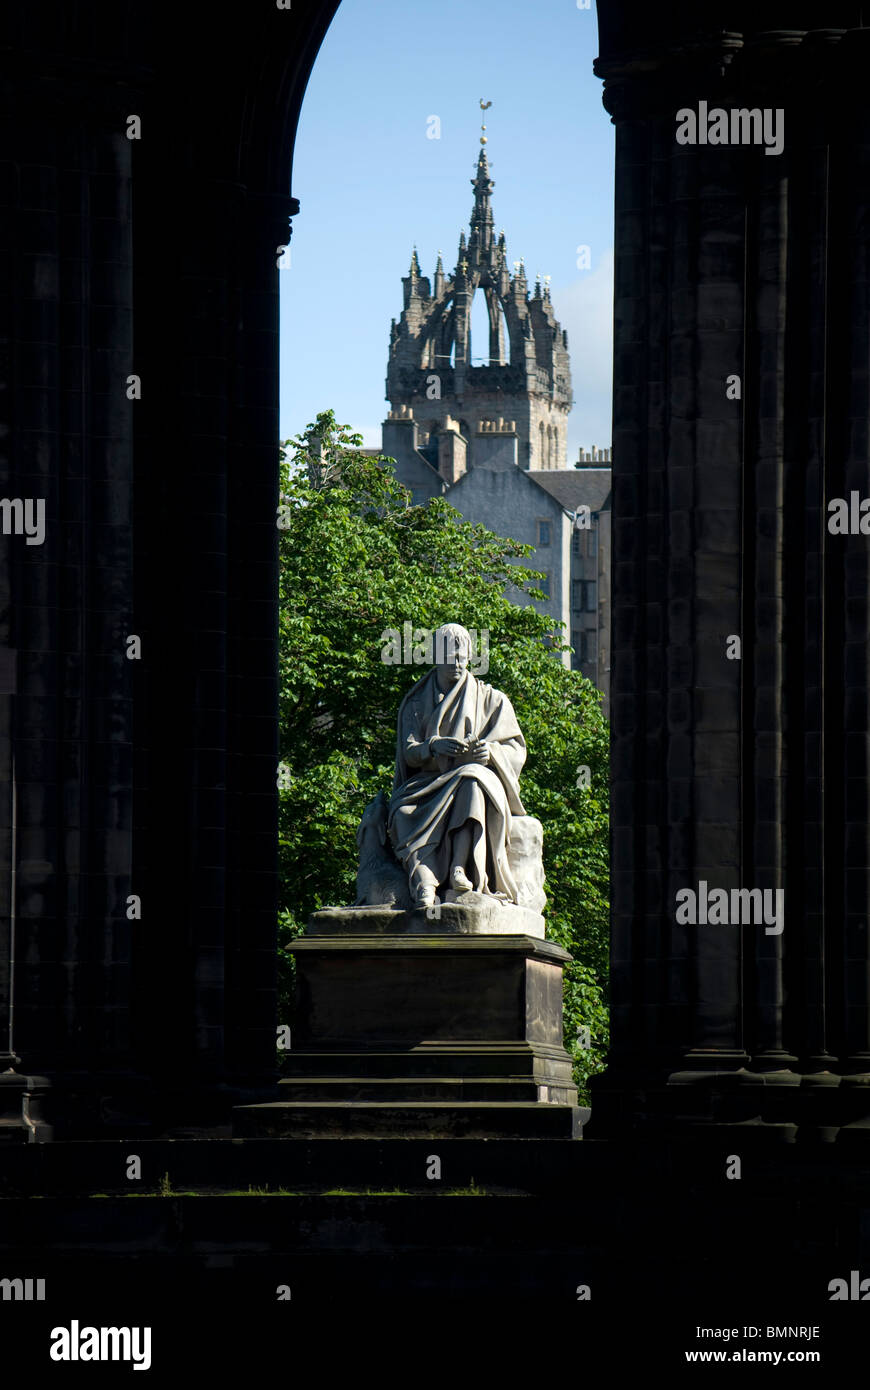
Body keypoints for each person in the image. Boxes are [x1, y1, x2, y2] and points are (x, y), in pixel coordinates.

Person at [387, 623, 527, 910]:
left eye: (462, 657)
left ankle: (459, 868)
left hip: (469, 779)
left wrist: (490, 753)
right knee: (402, 812)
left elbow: (516, 750)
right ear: (435, 657)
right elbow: (409, 752)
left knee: (472, 781)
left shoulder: (491, 699)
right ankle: (424, 880)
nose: (458, 663)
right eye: (450, 658)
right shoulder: (415, 701)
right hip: (425, 786)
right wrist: (432, 746)